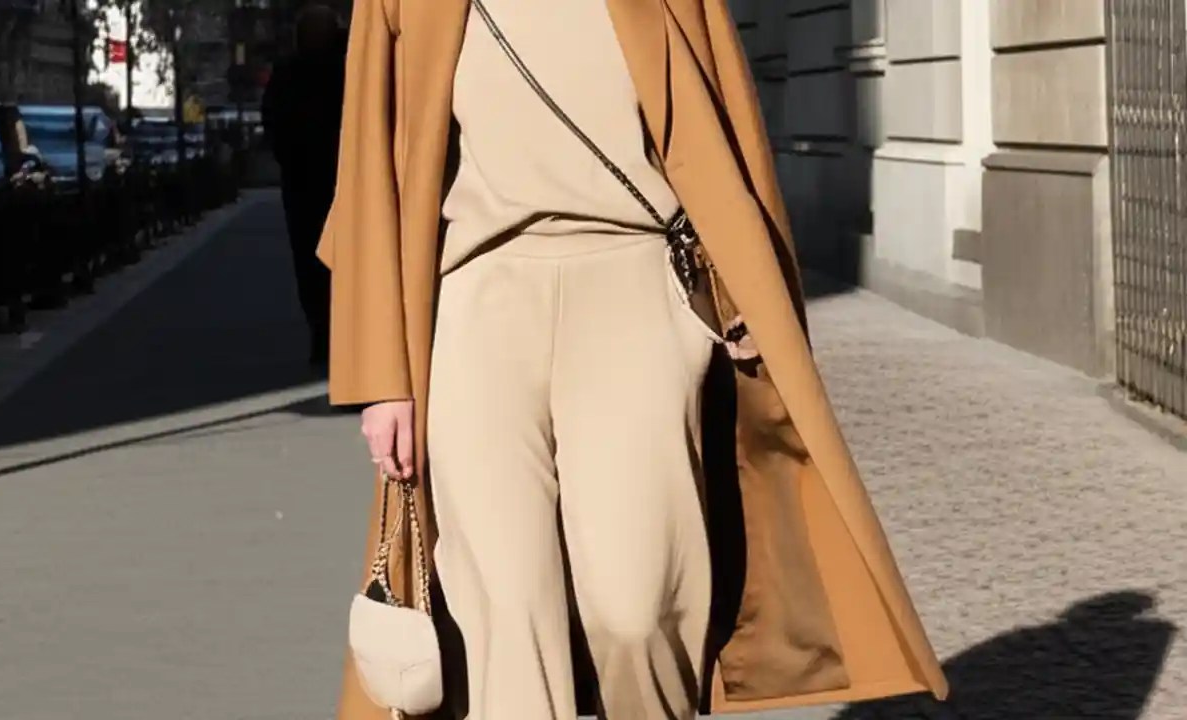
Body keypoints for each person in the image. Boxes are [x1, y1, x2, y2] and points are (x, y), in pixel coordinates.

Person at [319, 1, 949, 719]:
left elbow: (725, 117)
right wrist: (381, 379)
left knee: (638, 606)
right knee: (507, 609)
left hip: (636, 288)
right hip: (475, 299)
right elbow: (371, 159)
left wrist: (744, 285)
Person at [262, 1, 349, 366]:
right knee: (341, 260)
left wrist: (287, 157)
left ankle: (322, 332)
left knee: (309, 260)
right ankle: (340, 333)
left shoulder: (288, 74)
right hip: (337, 178)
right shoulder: (345, 70)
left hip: (303, 180)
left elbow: (273, 123)